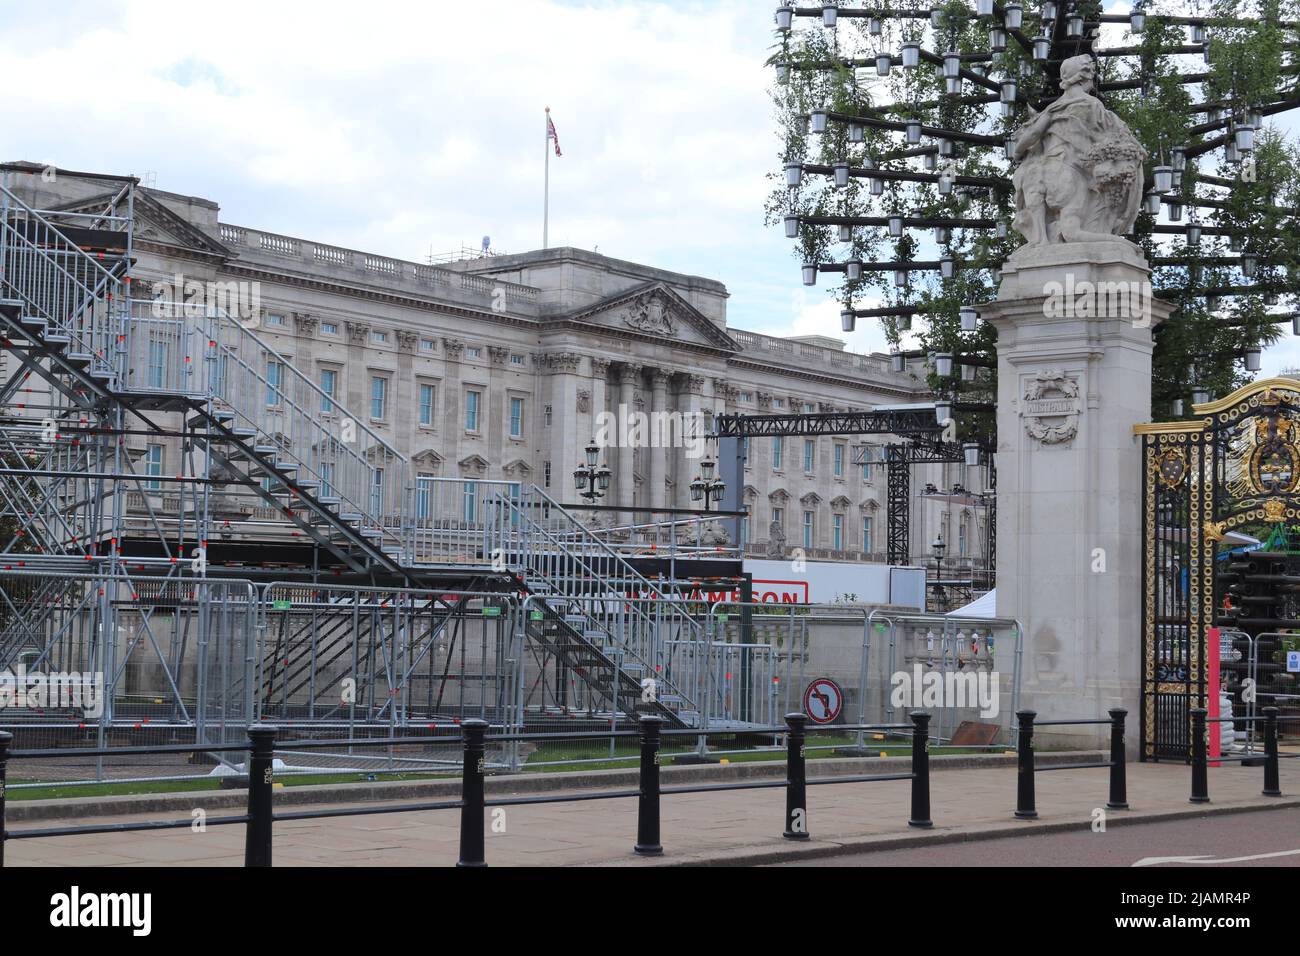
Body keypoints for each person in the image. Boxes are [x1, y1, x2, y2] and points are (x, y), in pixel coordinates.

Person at [1011, 54, 1146, 246]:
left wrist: (1017, 152)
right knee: (1075, 229)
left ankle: (1041, 240)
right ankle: (1109, 240)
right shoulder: (1092, 105)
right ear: (1084, 77)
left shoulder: (1052, 109)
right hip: (1075, 173)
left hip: (1046, 171)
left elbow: (1031, 136)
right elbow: (1114, 140)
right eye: (1092, 75)